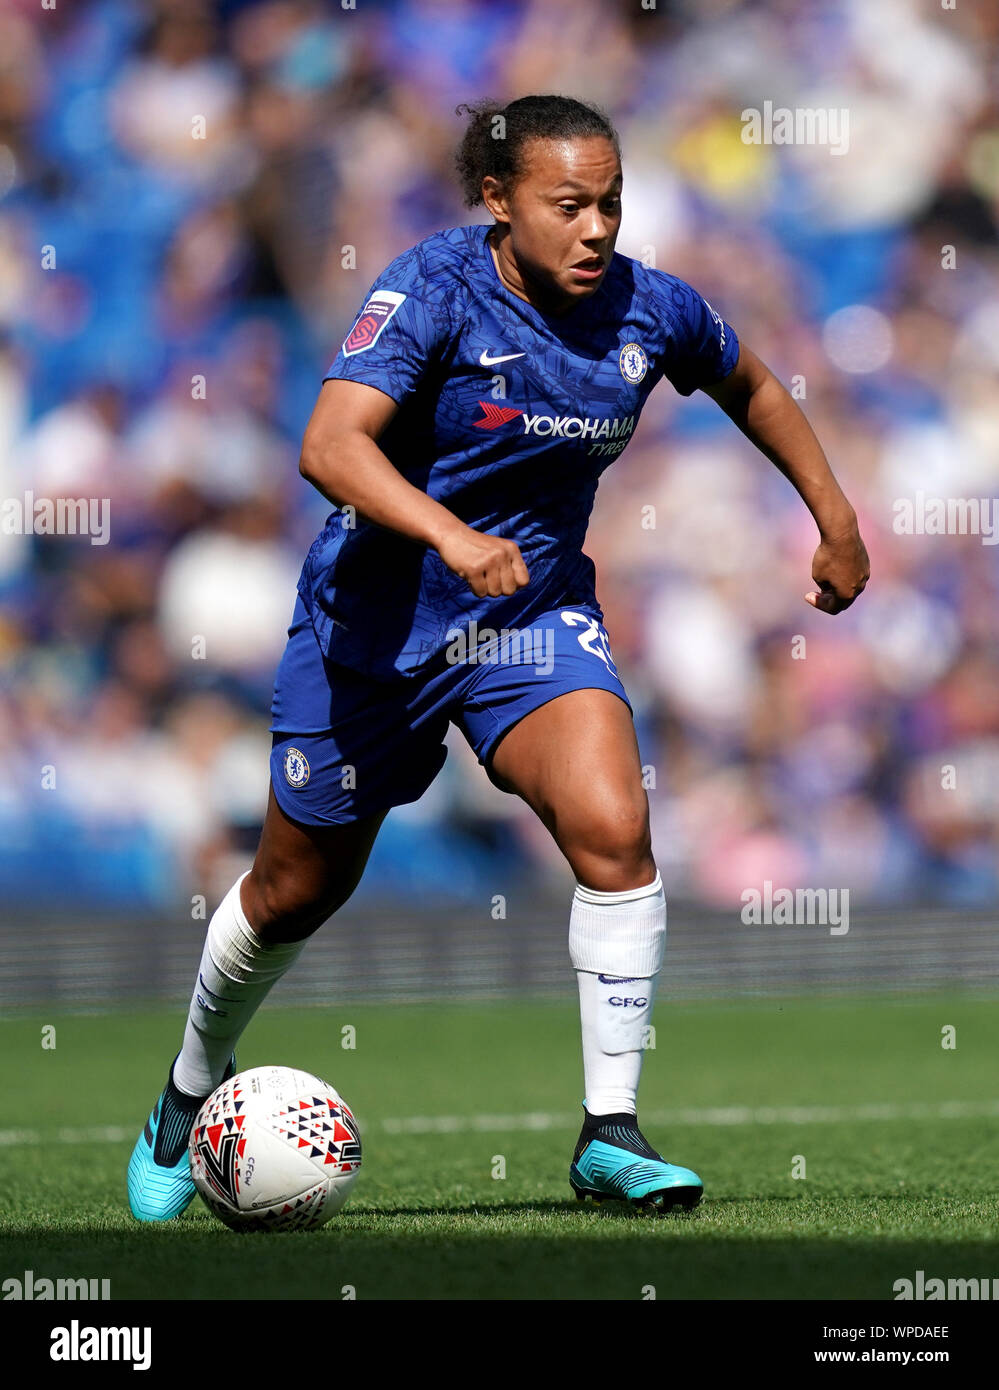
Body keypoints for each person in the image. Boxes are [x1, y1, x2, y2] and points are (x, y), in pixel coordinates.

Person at [127, 94, 869, 1221]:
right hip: (375, 628)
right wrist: (447, 534)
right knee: (292, 888)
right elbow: (329, 445)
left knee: (616, 829)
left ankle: (609, 1132)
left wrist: (835, 516)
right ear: (499, 200)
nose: (597, 228)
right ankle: (187, 1092)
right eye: (568, 204)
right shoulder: (432, 289)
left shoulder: (650, 310)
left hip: (528, 620)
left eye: (610, 202)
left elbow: (753, 383)